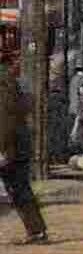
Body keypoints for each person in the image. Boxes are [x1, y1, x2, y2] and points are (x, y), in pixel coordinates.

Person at [0, 52, 49, 244]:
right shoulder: (15, 83)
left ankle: (36, 231)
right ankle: (37, 230)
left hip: (8, 144)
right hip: (15, 143)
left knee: (19, 188)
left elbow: (5, 118)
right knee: (20, 187)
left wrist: (3, 147)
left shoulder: (4, 83)